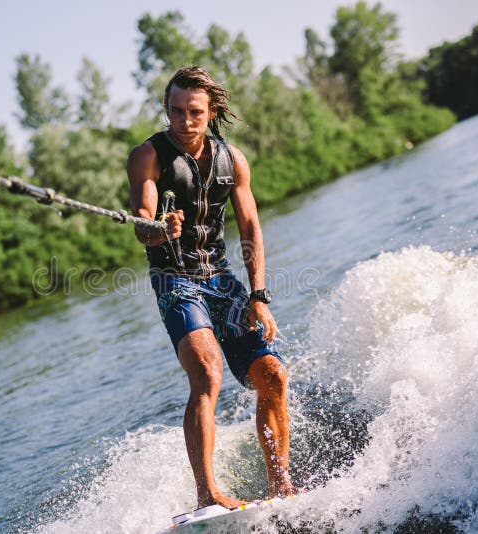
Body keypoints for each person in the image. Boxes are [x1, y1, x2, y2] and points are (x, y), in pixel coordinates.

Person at [126, 66, 296, 510]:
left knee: (273, 376)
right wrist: (159, 228)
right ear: (167, 110)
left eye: (195, 112)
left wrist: (259, 297)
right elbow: (142, 224)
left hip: (220, 278)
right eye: (176, 111)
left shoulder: (232, 159)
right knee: (206, 372)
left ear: (212, 110)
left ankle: (281, 484)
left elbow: (251, 228)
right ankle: (208, 494)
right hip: (175, 279)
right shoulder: (148, 155)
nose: (185, 121)